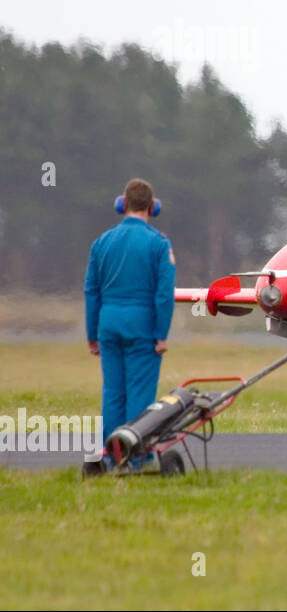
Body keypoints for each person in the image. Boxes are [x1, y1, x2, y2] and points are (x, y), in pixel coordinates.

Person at [84, 178, 176, 469]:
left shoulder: (102, 242)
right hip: (142, 326)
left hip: (108, 324)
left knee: (113, 392)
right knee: (140, 394)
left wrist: (92, 333)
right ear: (153, 207)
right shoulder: (159, 244)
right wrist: (161, 334)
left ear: (122, 204)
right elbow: (164, 294)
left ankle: (109, 457)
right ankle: (136, 458)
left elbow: (91, 290)